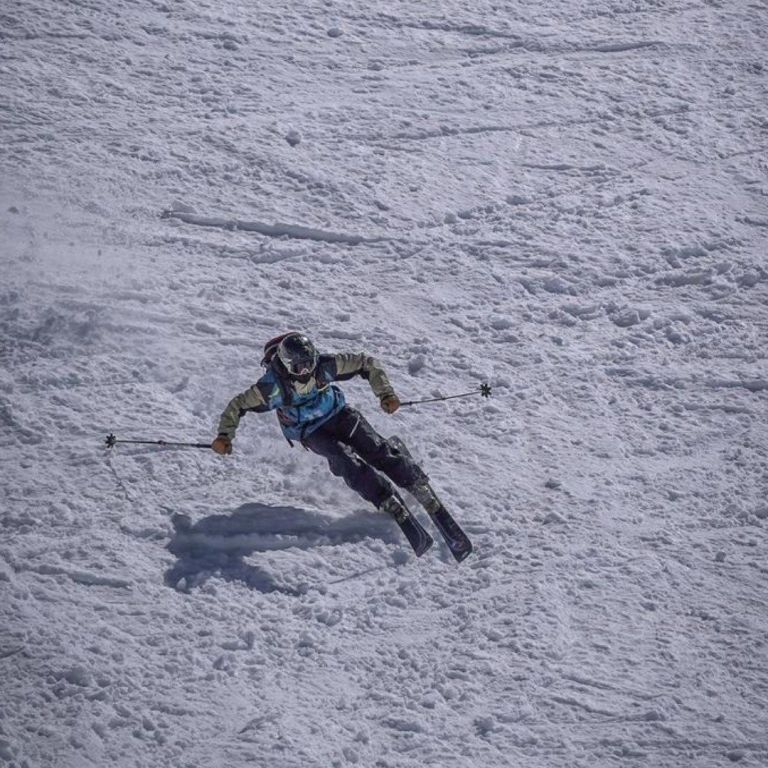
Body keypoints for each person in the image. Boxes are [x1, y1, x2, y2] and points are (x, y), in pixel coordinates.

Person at [211, 332, 440, 521]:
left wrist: (386, 394)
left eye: (308, 364)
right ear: (287, 365)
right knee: (343, 459)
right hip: (309, 430)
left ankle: (414, 481)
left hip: (338, 413)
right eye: (299, 367)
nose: (305, 371)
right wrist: (224, 436)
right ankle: (383, 497)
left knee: (372, 446)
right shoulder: (272, 388)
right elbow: (238, 405)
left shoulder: (324, 366)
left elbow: (366, 363)